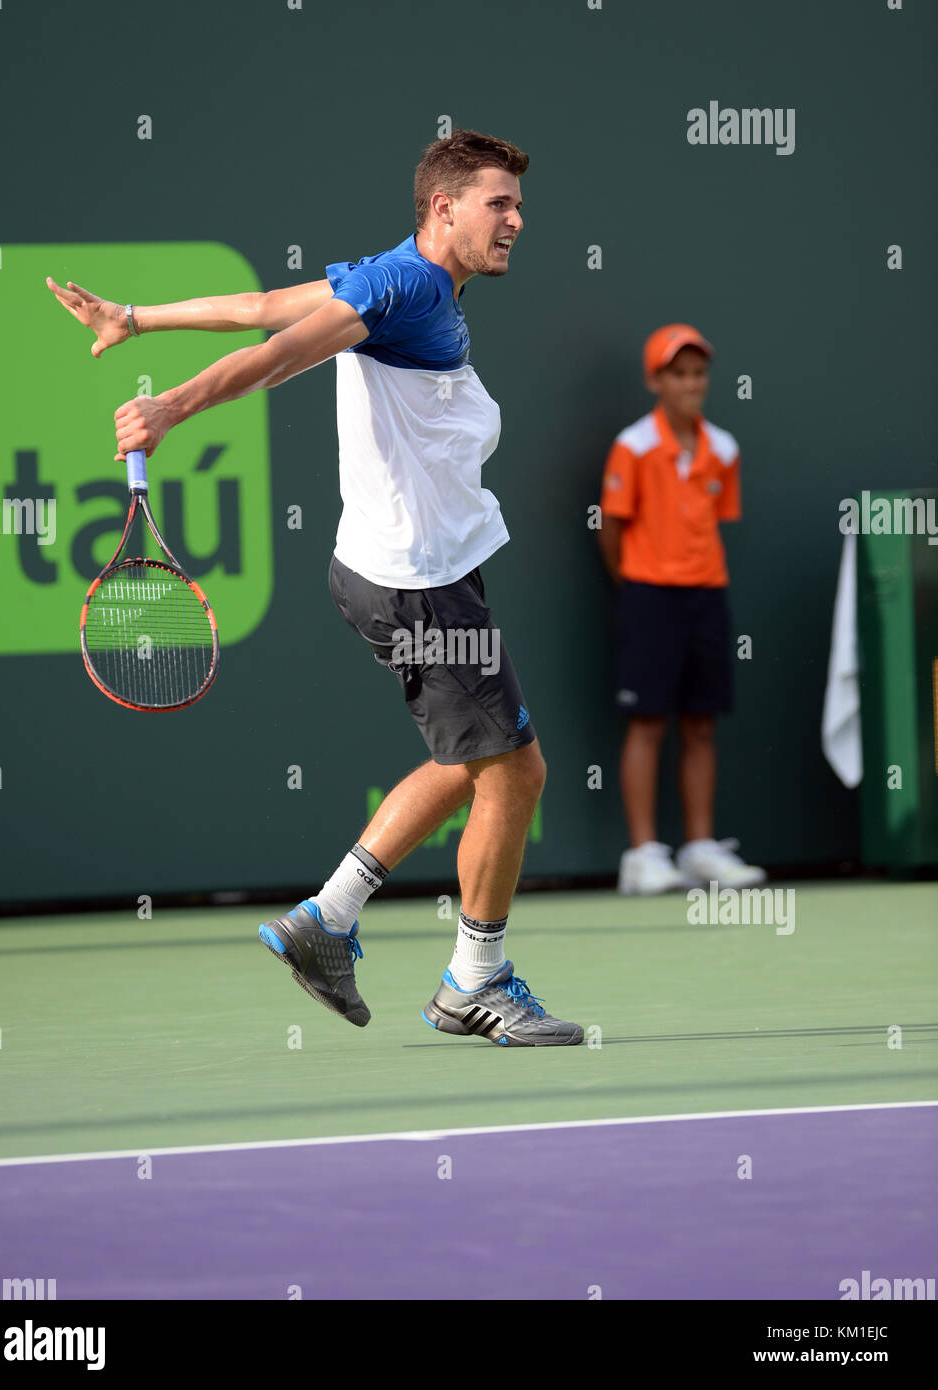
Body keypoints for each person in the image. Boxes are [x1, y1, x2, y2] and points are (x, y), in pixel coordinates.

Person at [47, 129, 582, 1047]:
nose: (517, 221)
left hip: (402, 568)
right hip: (419, 584)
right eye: (500, 205)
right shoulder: (402, 287)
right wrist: (172, 406)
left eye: (518, 206)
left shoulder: (403, 278)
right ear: (443, 208)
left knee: (474, 761)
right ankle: (473, 983)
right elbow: (280, 351)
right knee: (516, 768)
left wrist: (134, 318)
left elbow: (258, 303)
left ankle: (328, 919)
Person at [598, 324, 766, 895]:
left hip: (707, 595)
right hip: (648, 597)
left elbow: (713, 525)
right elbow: (613, 526)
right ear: (656, 380)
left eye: (698, 374)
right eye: (679, 373)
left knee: (700, 723)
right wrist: (638, 584)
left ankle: (699, 849)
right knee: (646, 723)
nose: (691, 384)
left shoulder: (724, 448)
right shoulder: (634, 445)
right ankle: (643, 855)